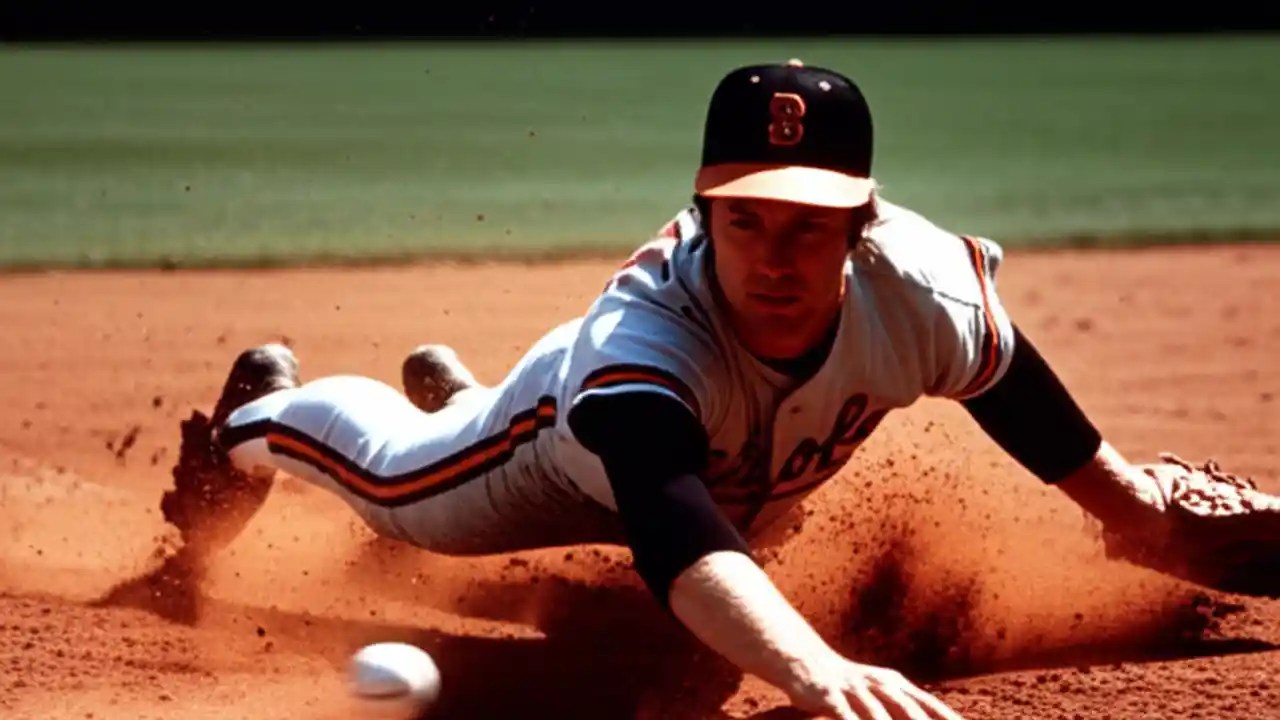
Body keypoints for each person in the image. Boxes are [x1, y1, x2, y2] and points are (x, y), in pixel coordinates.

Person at [160, 59, 1279, 720]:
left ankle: (464, 395)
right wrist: (813, 670)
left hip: (713, 487)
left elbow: (1010, 389)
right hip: (560, 450)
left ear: (862, 220)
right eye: (743, 218)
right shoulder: (640, 350)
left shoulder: (924, 292)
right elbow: (674, 533)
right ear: (702, 213)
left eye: (806, 224)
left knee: (688, 653)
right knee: (402, 489)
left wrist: (1127, 513)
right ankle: (252, 420)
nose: (773, 256)